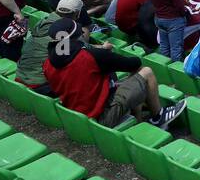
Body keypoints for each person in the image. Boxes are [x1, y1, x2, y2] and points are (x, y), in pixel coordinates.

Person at [44, 16, 186, 130]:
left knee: (128, 81)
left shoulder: (48, 63)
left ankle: (138, 119)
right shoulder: (90, 56)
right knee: (145, 72)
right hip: (101, 116)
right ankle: (158, 117)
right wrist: (105, 54)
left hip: (76, 114)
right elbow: (134, 63)